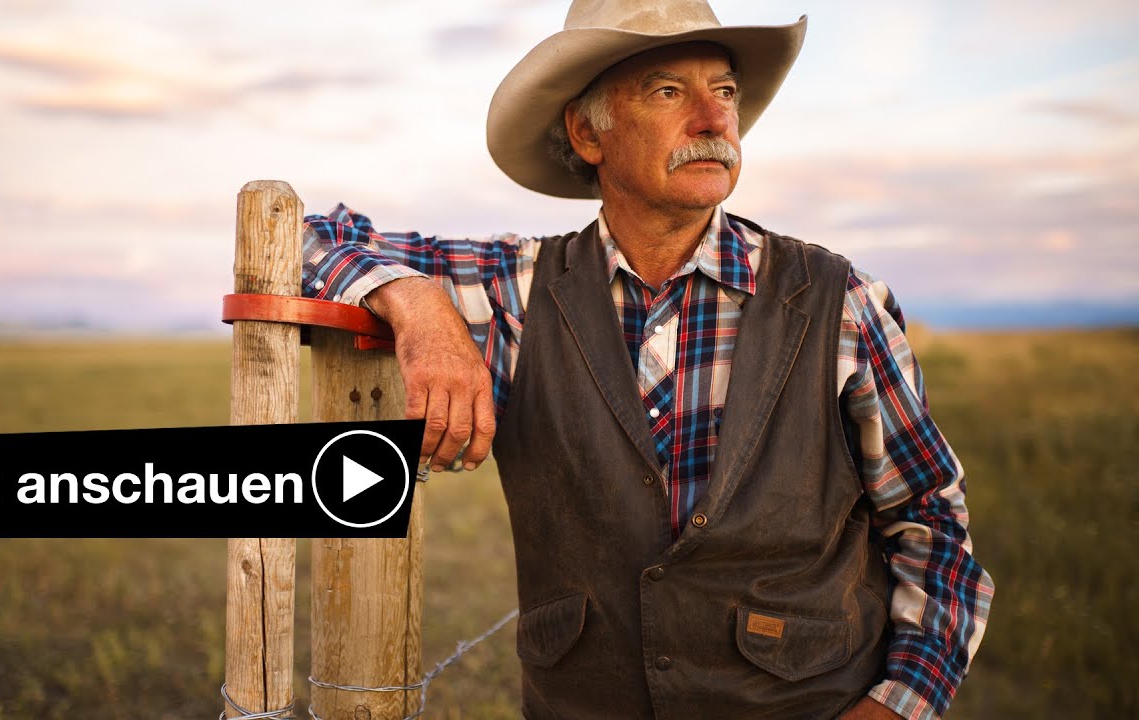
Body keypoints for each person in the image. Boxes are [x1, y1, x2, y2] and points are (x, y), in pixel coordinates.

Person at [301, 1, 994, 718]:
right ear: (586, 131)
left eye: (724, 91)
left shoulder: (836, 301)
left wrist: (895, 708)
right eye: (668, 92)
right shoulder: (520, 288)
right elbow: (301, 236)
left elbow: (932, 527)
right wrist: (413, 301)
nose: (713, 119)